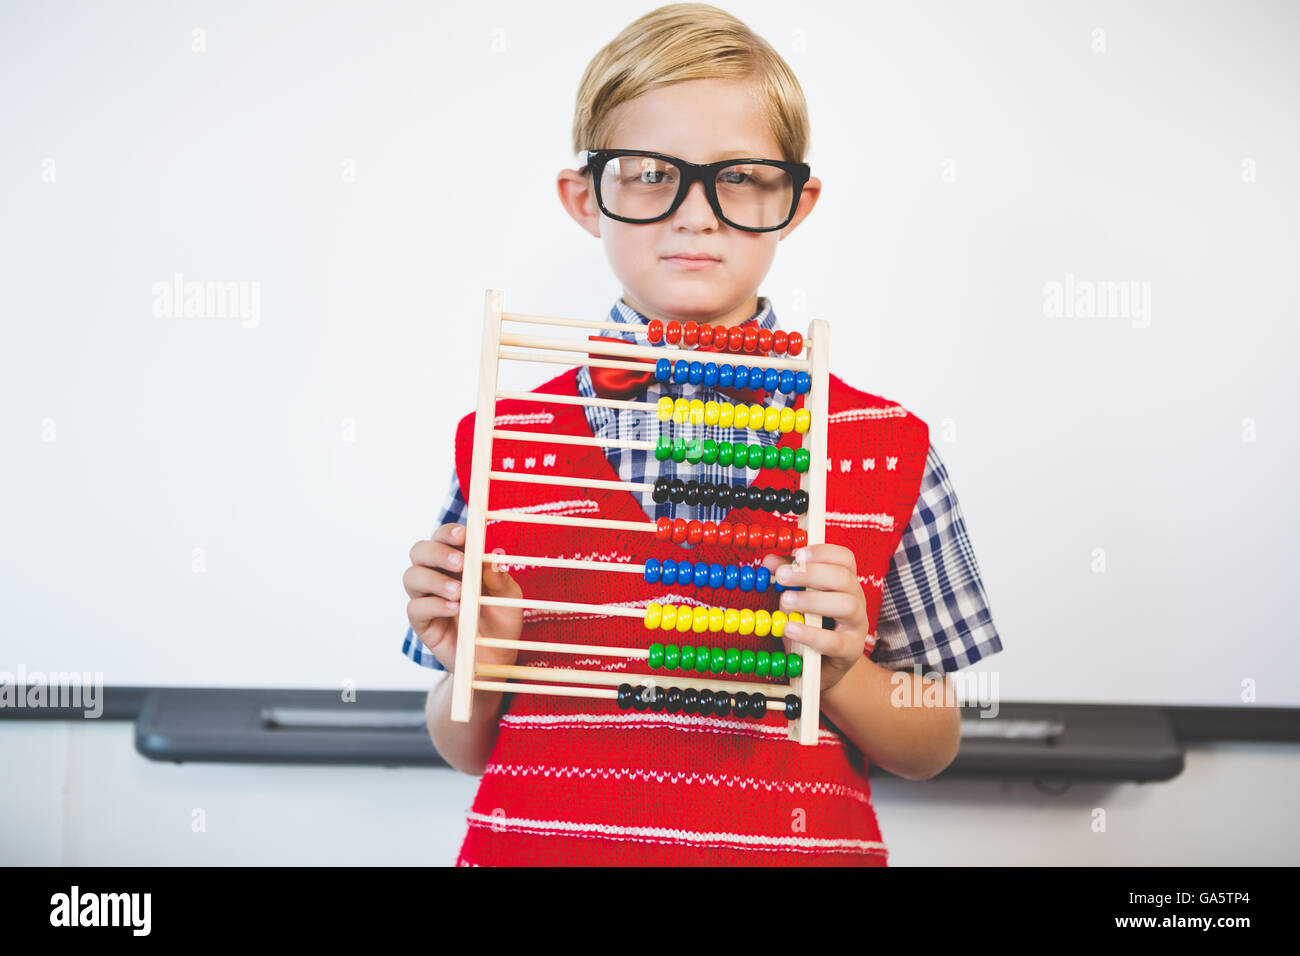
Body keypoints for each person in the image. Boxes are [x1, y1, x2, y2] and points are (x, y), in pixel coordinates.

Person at [401, 3, 1002, 866]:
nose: (696, 213)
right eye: (647, 173)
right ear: (584, 199)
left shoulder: (884, 446)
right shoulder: (502, 440)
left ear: (795, 201)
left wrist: (839, 671)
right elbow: (464, 751)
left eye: (744, 175)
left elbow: (932, 743)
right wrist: (481, 663)